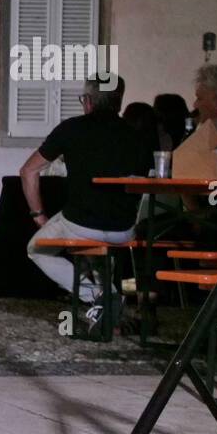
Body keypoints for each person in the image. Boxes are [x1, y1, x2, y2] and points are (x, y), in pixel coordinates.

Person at [20, 75, 150, 334]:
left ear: (88, 101)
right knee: (101, 253)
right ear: (119, 102)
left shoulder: (71, 129)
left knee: (36, 249)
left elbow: (28, 172)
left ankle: (98, 297)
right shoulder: (137, 136)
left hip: (80, 222)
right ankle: (108, 303)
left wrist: (39, 215)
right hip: (124, 227)